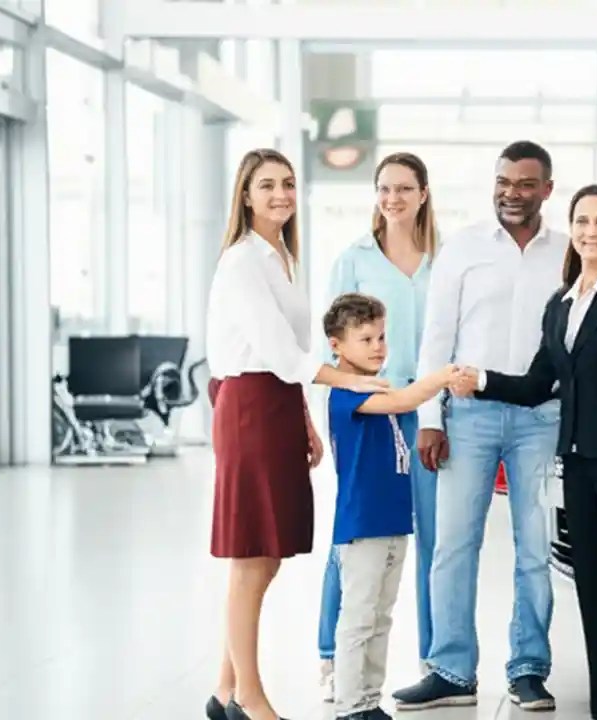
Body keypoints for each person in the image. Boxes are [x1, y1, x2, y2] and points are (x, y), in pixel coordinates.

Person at [449, 184, 597, 720]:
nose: (591, 231)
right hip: (578, 466)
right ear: (573, 230)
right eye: (582, 221)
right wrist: (479, 380)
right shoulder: (561, 304)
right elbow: (535, 385)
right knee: (594, 593)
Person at [202, 148, 390, 720]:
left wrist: (305, 417)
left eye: (287, 184)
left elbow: (289, 354)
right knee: (251, 555)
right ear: (245, 195)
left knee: (269, 552)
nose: (281, 194)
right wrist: (358, 383)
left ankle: (223, 690)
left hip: (278, 403)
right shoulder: (242, 261)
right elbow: (280, 353)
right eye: (267, 186)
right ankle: (251, 701)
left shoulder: (282, 256)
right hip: (250, 406)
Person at [392, 141, 568, 711]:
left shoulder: (566, 254)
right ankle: (450, 669)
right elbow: (436, 335)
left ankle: (527, 670)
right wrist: (427, 416)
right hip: (465, 417)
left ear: (546, 189)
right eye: (503, 182)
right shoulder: (464, 248)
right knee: (452, 545)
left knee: (534, 548)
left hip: (541, 418)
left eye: (524, 183)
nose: (511, 193)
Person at [317, 152, 440, 701]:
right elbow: (330, 344)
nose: (393, 198)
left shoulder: (445, 259)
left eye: (404, 188)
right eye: (384, 188)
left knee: (418, 540)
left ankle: (432, 663)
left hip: (426, 412)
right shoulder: (354, 259)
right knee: (356, 546)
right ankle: (332, 662)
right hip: (376, 401)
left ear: (423, 193)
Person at [321, 292, 459, 720]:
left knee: (380, 618)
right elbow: (403, 402)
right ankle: (348, 706)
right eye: (366, 339)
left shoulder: (375, 388)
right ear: (336, 346)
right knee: (358, 619)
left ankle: (367, 701)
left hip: (393, 522)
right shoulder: (347, 396)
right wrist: (441, 377)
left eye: (381, 336)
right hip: (362, 526)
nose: (379, 346)